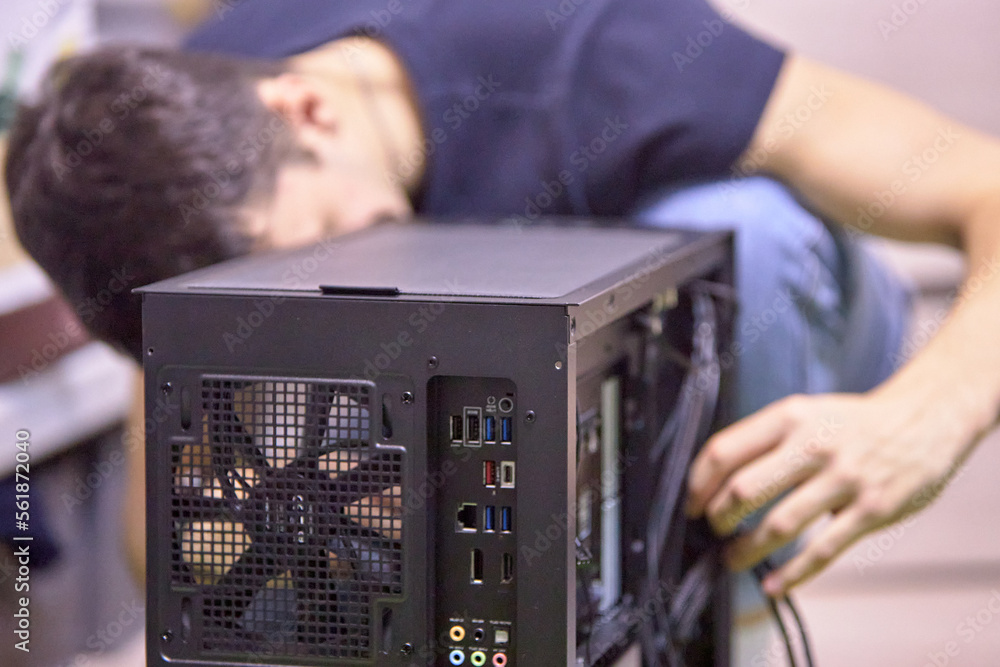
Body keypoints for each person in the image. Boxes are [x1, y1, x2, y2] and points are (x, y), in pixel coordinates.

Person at [5, 0, 999, 618]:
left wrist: (923, 423)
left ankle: (704, 615)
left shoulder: (602, 45)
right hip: (520, 397)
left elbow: (979, 185)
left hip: (802, 319)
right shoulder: (171, 168)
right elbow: (169, 541)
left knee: (746, 230)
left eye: (303, 275)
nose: (287, 328)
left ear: (306, 110)